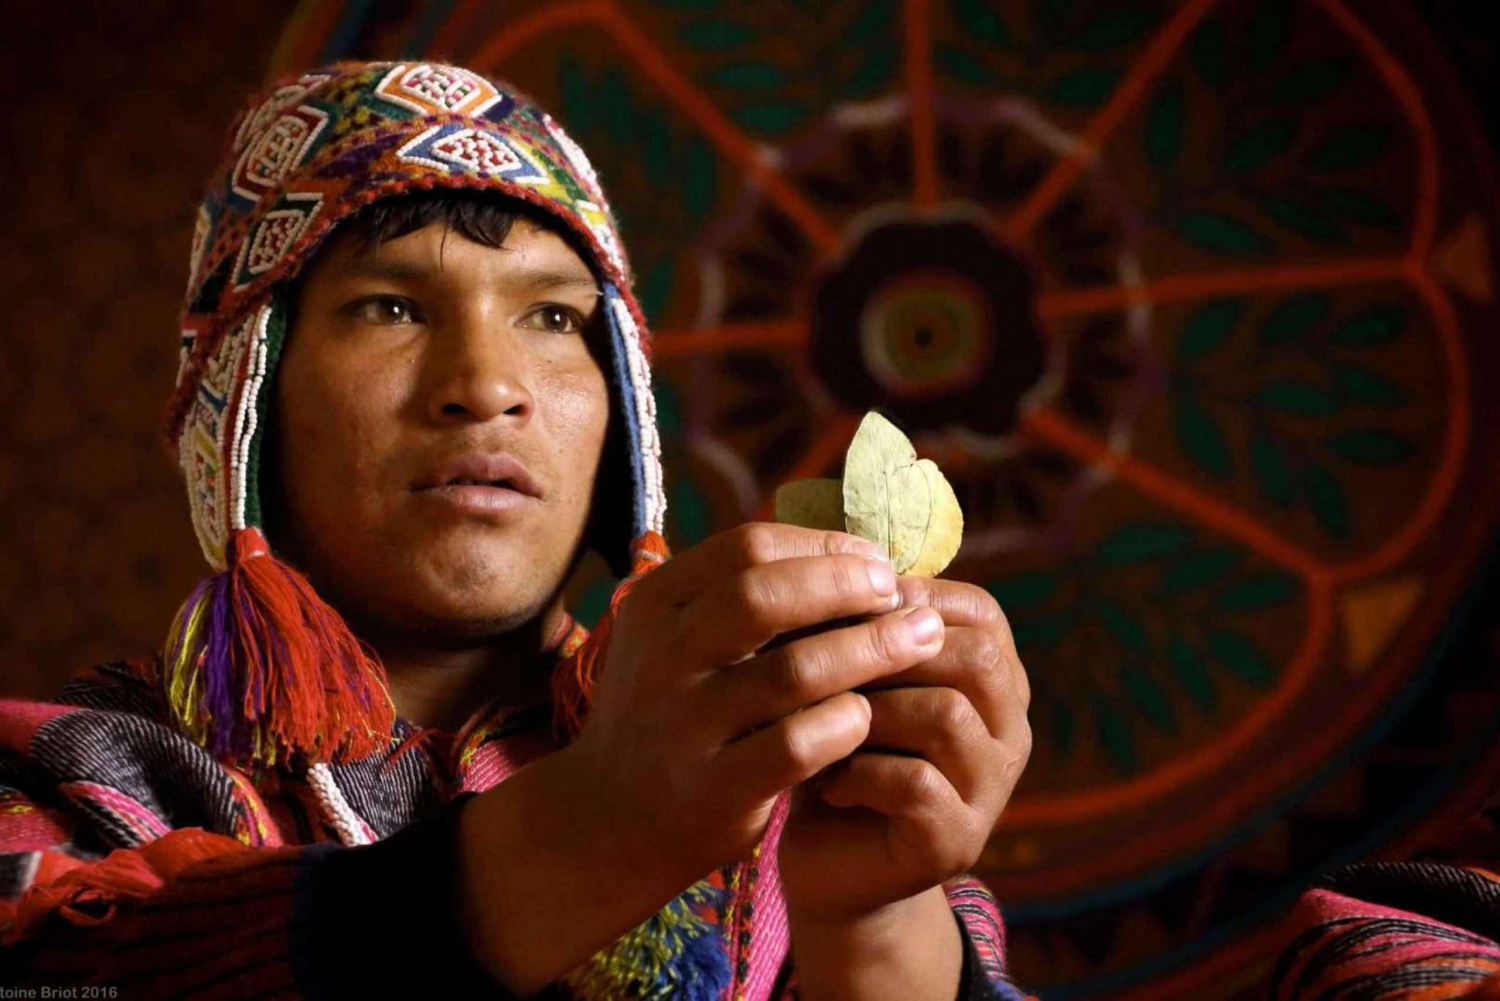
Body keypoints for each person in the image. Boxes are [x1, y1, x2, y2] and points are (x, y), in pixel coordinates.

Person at [0, 60, 1036, 1000]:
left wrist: (876, 924)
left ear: (624, 416)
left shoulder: (781, 795)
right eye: (390, 308)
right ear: (246, 408)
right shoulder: (75, 789)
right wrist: (594, 828)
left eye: (553, 318)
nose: (488, 387)